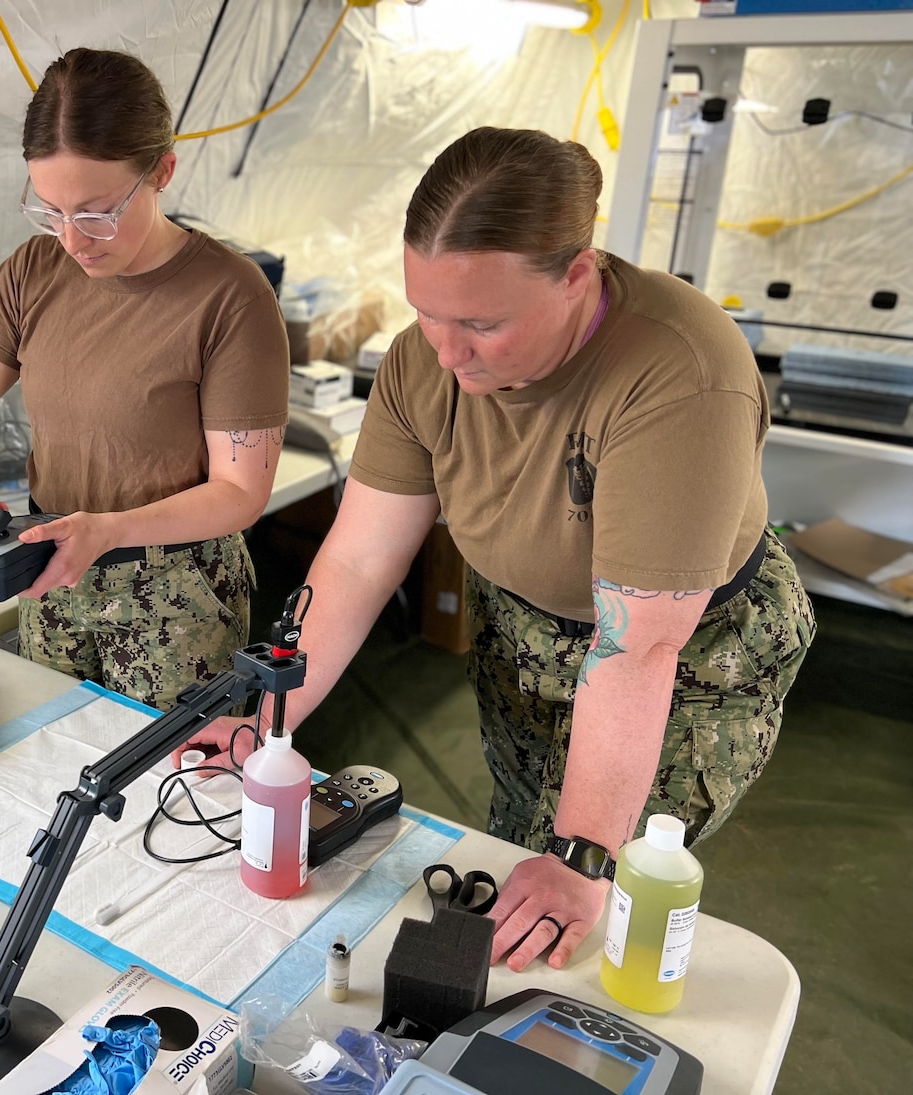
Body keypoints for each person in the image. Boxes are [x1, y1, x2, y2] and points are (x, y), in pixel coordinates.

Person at [178, 127, 815, 970]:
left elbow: (638, 648)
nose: (447, 352)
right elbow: (359, 560)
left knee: (605, 895)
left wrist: (586, 857)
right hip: (525, 631)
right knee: (520, 842)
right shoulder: (425, 363)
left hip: (688, 655)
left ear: (577, 277)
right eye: (426, 314)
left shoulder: (679, 372)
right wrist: (270, 721)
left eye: (481, 322)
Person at [0, 48, 290, 710]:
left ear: (161, 170)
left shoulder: (229, 295)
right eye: (51, 210)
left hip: (177, 602)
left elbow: (239, 492)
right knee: (54, 767)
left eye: (98, 211)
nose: (74, 239)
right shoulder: (34, 272)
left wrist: (107, 529)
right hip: (51, 581)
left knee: (166, 793)